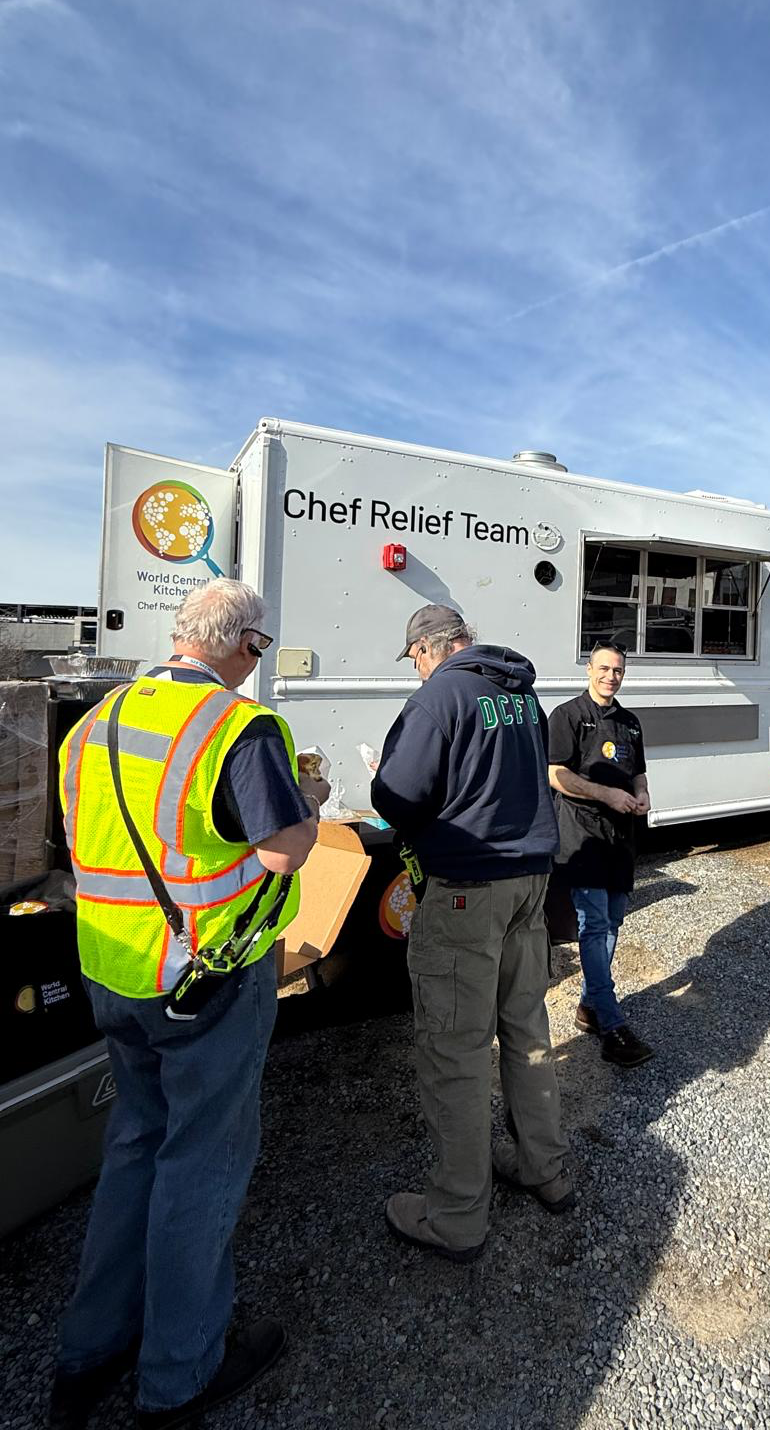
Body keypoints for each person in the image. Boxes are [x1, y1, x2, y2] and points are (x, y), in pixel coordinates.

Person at [48, 580, 327, 1430]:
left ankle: (87, 1353)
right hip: (205, 979)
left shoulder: (96, 722)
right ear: (244, 645)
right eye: (262, 647)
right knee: (200, 1163)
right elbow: (282, 857)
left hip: (112, 971)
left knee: (135, 1147)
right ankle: (178, 1374)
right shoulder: (238, 728)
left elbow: (79, 840)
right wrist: (308, 805)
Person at [371, 603, 571, 1264]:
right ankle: (545, 1170)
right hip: (529, 885)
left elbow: (397, 799)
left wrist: (384, 781)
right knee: (526, 1034)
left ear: (430, 649)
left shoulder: (440, 698)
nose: (419, 671)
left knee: (454, 1054)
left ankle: (457, 1215)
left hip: (465, 894)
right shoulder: (519, 693)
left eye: (417, 660)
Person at [547, 641, 653, 1068]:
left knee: (612, 922)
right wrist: (605, 794)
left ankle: (589, 1006)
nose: (611, 677)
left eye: (619, 671)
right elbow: (556, 774)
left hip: (620, 837)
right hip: (582, 836)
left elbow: (639, 770)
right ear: (588, 669)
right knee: (593, 926)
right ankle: (612, 1025)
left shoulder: (629, 723)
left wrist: (642, 794)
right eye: (604, 669)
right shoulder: (567, 716)